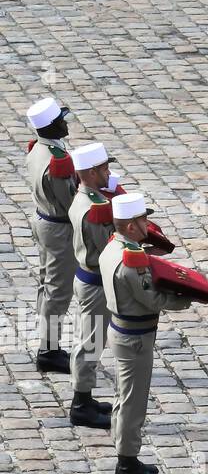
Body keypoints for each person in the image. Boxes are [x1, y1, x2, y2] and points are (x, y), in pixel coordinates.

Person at [100, 192, 194, 474]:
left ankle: (125, 455)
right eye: (142, 220)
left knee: (123, 397)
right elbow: (152, 299)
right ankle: (127, 465)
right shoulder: (131, 261)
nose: (147, 224)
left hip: (121, 331)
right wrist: (186, 296)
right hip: (135, 338)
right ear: (130, 227)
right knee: (133, 403)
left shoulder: (114, 247)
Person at [25, 96, 77, 373]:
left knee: (47, 285)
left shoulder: (38, 150)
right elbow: (70, 202)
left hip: (43, 220)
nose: (66, 124)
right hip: (59, 228)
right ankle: (49, 350)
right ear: (52, 127)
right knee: (58, 290)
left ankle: (47, 342)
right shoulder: (57, 162)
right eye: (62, 120)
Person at [67, 142, 116, 430]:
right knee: (90, 344)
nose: (108, 172)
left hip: (87, 278)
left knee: (90, 341)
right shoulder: (94, 210)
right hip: (96, 282)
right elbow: (105, 249)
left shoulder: (86, 198)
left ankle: (85, 397)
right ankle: (81, 405)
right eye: (105, 168)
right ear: (92, 172)